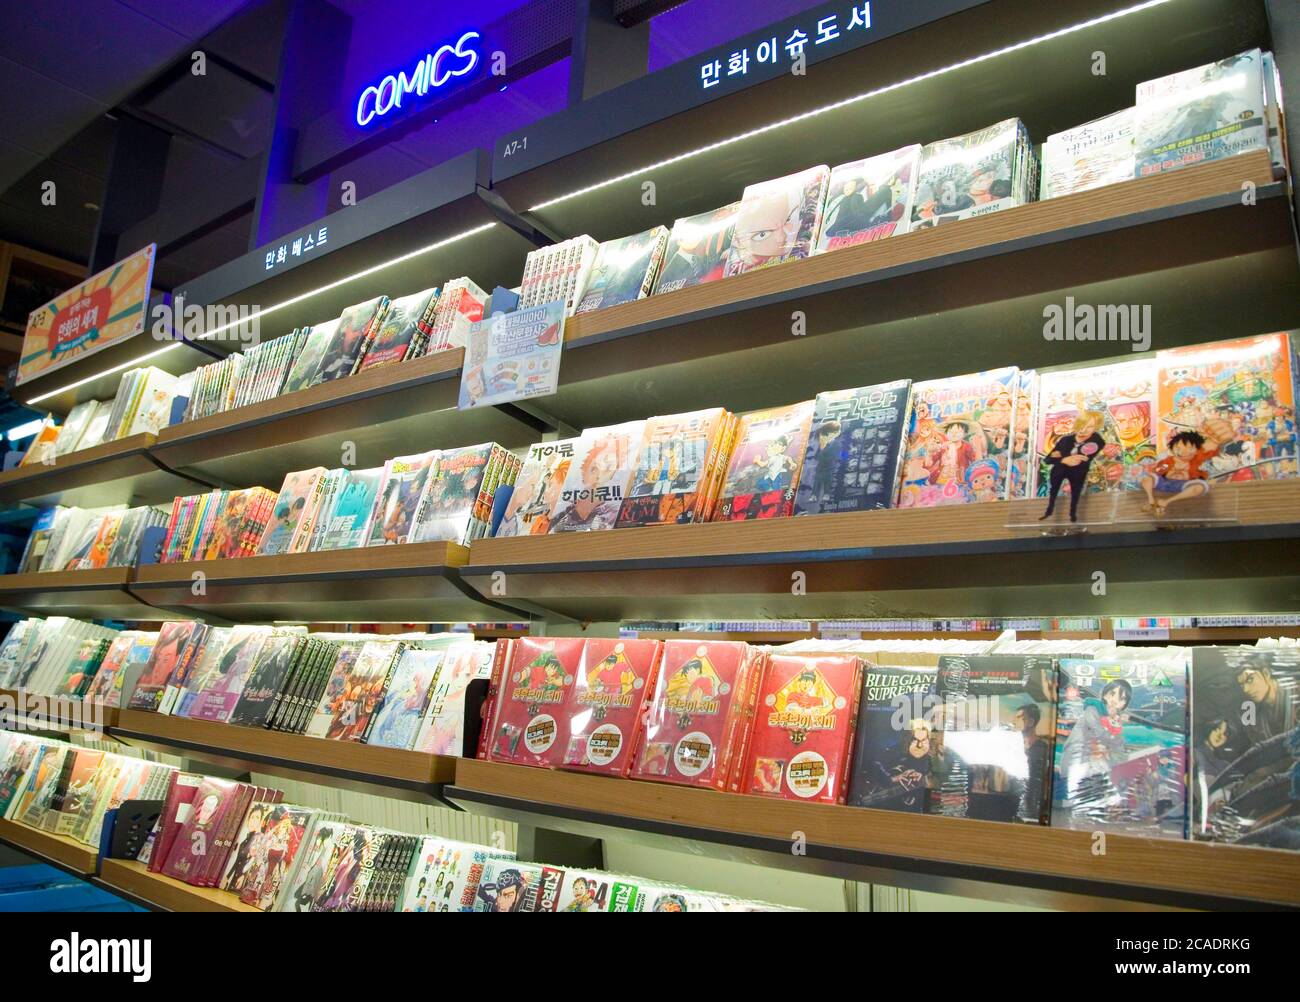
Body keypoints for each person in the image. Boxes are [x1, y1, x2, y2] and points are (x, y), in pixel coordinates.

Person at [1040, 411, 1106, 521]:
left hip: (1078, 473)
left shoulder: (1097, 441)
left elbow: (1082, 459)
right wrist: (1064, 460)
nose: (1083, 430)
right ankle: (1049, 511)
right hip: (1059, 472)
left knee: (1076, 493)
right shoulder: (1066, 440)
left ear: (1096, 428)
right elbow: (1048, 459)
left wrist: (1061, 456)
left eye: (1089, 427)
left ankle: (1073, 516)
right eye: (1081, 425)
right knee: (1054, 491)